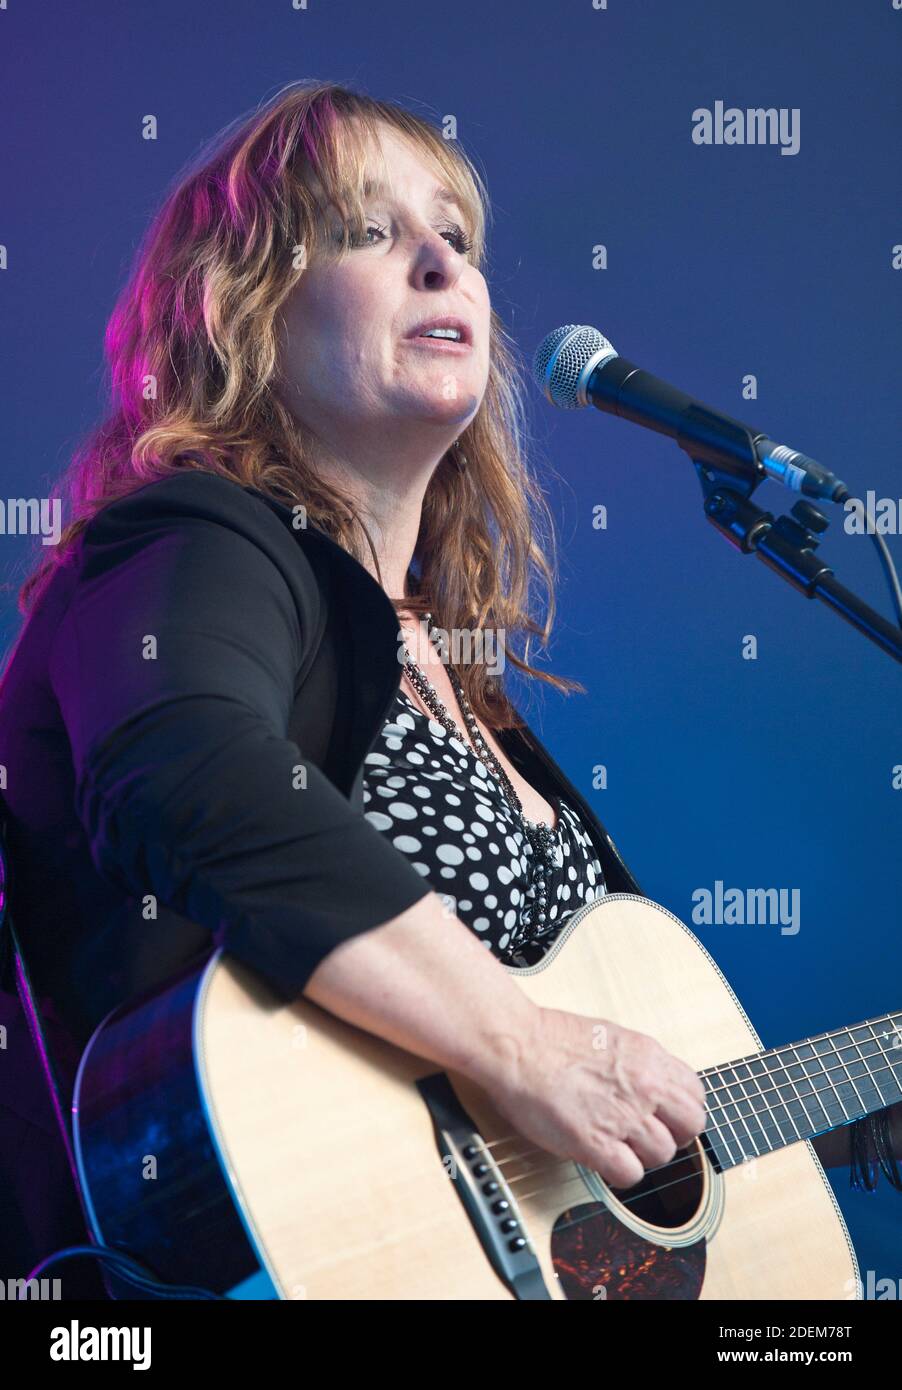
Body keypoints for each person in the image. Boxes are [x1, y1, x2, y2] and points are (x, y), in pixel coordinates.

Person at [0, 80, 896, 1298]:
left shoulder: (454, 679)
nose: (438, 263)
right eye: (367, 231)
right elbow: (191, 773)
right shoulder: (188, 542)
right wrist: (520, 1043)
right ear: (234, 310)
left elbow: (577, 1141)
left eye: (457, 238)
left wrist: (846, 1118)